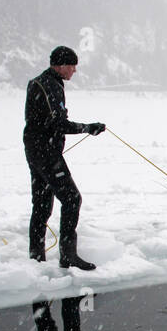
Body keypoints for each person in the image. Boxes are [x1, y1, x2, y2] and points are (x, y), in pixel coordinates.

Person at [23, 45, 106, 270]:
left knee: (41, 204)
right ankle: (67, 254)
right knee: (71, 199)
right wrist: (88, 127)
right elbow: (57, 123)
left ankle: (36, 256)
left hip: (36, 150)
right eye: (72, 66)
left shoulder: (41, 82)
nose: (74, 71)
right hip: (45, 152)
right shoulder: (49, 85)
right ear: (61, 65)